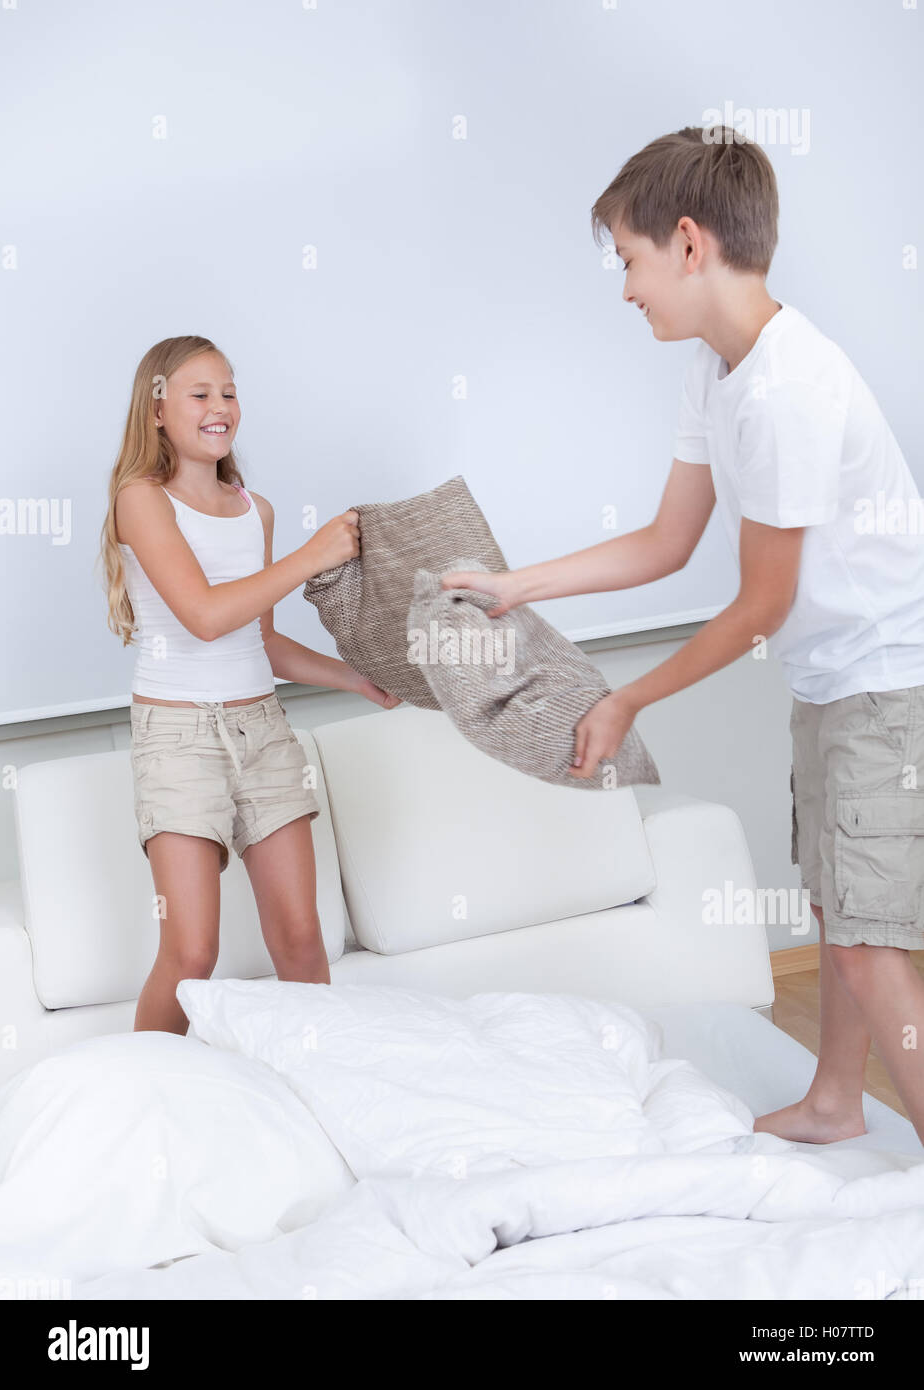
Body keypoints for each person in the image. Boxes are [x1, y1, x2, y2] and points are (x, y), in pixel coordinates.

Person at [442, 125, 924, 1148]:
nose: (625, 289)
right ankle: (836, 1102)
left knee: (869, 940)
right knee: (841, 914)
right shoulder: (719, 370)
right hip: (834, 678)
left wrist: (625, 697)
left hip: (889, 684)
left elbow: (760, 605)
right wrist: (512, 586)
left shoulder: (790, 386)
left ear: (690, 243)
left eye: (629, 259)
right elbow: (666, 541)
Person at [100, 335, 398, 1036]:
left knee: (300, 940)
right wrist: (311, 555)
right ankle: (149, 1094)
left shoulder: (252, 509)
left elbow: (258, 639)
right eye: (200, 394)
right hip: (178, 740)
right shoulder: (140, 501)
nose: (220, 407)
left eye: (229, 392)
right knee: (191, 949)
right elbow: (204, 616)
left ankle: (317, 1091)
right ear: (158, 411)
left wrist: (354, 678)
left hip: (263, 730)